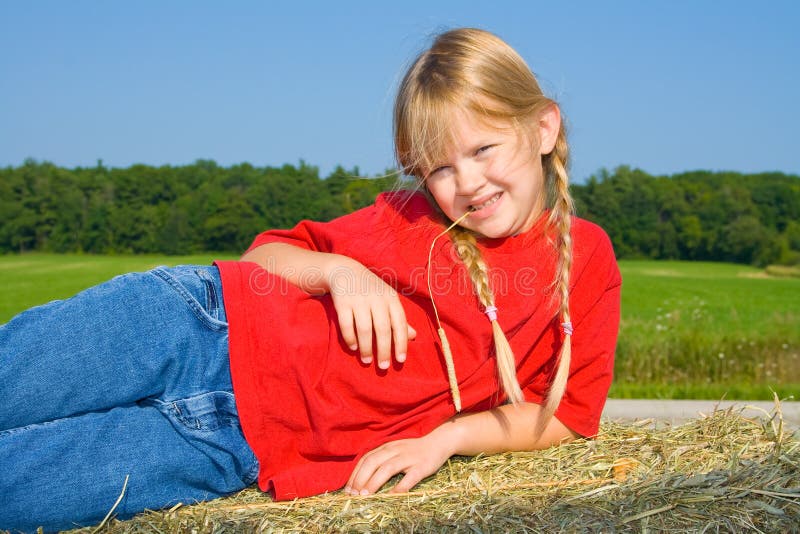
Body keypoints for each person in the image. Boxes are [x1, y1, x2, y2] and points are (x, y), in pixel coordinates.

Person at [0, 28, 620, 532]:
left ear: (543, 127)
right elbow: (263, 257)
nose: (467, 183)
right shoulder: (407, 219)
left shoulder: (586, 261)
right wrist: (339, 272)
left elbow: (563, 414)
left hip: (234, 445)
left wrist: (447, 440)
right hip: (196, 326)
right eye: (438, 167)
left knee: (19, 492)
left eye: (484, 149)